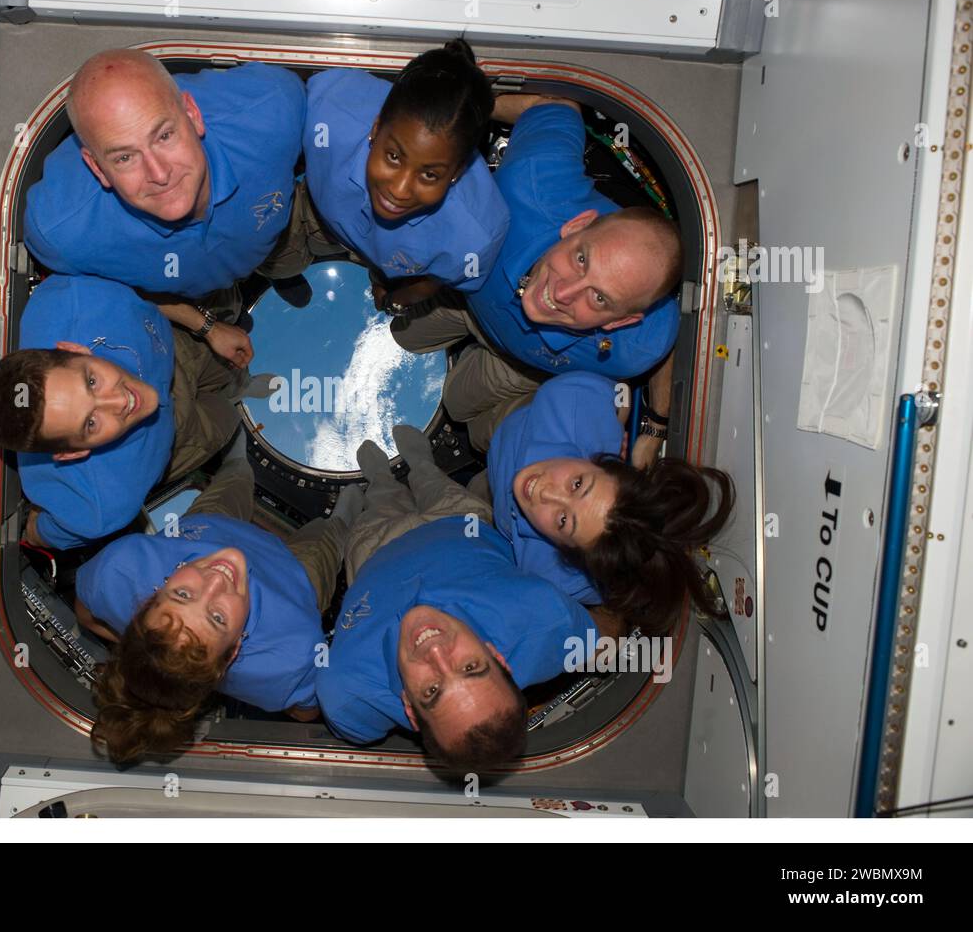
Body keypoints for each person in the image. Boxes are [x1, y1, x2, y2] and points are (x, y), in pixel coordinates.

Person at [392, 92, 683, 453]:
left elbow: (669, 331)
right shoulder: (529, 186)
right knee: (403, 336)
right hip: (468, 298)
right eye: (581, 259)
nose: (562, 294)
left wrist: (655, 427)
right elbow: (557, 105)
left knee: (459, 407)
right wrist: (448, 102)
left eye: (599, 297)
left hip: (521, 364)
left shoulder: (637, 341)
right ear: (576, 226)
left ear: (619, 322)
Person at [317, 432, 598, 771]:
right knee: (432, 477)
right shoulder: (544, 613)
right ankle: (419, 460)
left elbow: (359, 730)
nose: (435, 652)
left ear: (408, 706)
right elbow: (600, 635)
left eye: (432, 690)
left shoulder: (346, 692)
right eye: (470, 667)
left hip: (377, 549)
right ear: (497, 657)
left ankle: (379, 477)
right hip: (458, 523)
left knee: (381, 496)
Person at [76, 436, 365, 763]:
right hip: (296, 580)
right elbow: (305, 712)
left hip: (210, 527)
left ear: (147, 600)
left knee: (229, 486)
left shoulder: (119, 570)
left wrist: (147, 652)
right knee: (324, 545)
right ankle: (340, 521)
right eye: (217, 618)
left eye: (182, 594)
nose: (215, 580)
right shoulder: (290, 657)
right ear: (232, 655)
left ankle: (239, 467)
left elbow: (85, 613)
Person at [0, 275, 271, 548]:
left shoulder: (75, 299)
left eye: (92, 381)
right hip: (176, 438)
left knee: (232, 371)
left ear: (75, 349)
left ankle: (241, 384)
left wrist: (207, 327)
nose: (120, 402)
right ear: (73, 454)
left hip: (172, 353)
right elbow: (39, 533)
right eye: (91, 423)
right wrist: (34, 524)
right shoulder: (100, 505)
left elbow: (139, 286)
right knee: (226, 416)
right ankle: (239, 395)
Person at [23, 49, 308, 308]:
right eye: (125, 158)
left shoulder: (273, 108)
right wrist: (202, 326)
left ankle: (281, 274)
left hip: (271, 239)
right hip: (187, 292)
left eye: (164, 136)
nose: (159, 174)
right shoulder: (60, 231)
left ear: (193, 114)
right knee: (219, 305)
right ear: (97, 169)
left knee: (286, 256)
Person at [487, 372, 737, 636]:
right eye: (577, 484)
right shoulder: (571, 400)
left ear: (566, 552)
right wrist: (632, 425)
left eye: (563, 521)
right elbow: (617, 398)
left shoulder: (551, 575)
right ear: (603, 461)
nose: (544, 493)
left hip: (492, 491)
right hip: (510, 422)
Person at [300, 40, 508, 315]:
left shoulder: (476, 238)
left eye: (430, 174)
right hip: (318, 218)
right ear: (375, 129)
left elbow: (440, 277)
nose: (399, 191)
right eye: (394, 157)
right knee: (291, 255)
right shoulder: (326, 113)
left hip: (393, 263)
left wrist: (405, 295)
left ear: (457, 172)